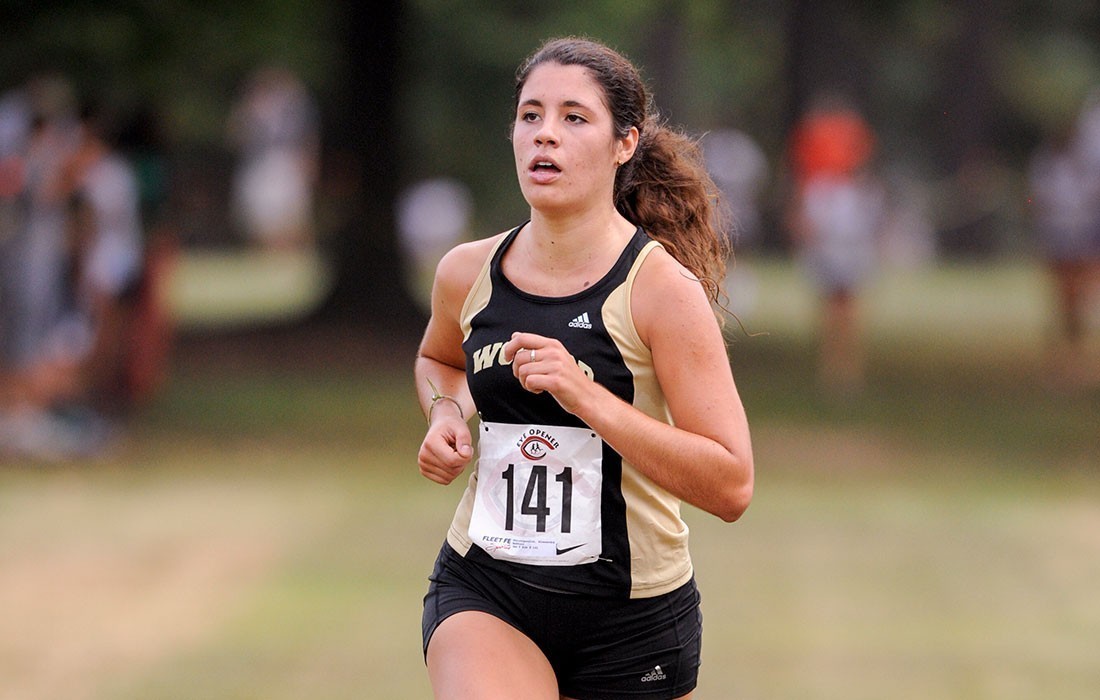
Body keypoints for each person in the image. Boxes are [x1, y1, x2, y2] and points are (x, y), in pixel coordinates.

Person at [413, 37, 754, 700]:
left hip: (631, 616)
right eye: (530, 115)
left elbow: (731, 484)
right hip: (488, 585)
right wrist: (447, 412)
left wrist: (585, 396)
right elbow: (438, 359)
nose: (546, 136)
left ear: (624, 143)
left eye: (574, 118)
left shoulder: (660, 291)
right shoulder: (466, 271)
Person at [785, 91, 886, 395]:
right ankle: (837, 370)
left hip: (843, 228)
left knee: (843, 304)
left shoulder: (845, 175)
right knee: (837, 304)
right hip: (832, 224)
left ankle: (842, 370)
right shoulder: (823, 165)